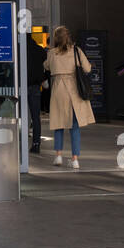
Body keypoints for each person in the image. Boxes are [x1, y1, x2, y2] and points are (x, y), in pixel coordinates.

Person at [43, 25, 95, 169]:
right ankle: (75, 159)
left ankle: (58, 156)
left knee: (58, 124)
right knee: (75, 126)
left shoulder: (52, 53)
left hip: (58, 89)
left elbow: (47, 66)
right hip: (73, 89)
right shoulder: (76, 51)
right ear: (68, 36)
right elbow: (87, 68)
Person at [25, 32, 48, 154]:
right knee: (35, 117)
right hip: (35, 86)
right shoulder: (40, 50)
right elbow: (45, 68)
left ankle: (20, 142)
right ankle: (36, 143)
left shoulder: (19, 50)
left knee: (21, 116)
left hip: (22, 86)